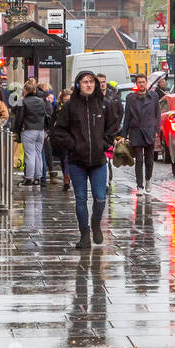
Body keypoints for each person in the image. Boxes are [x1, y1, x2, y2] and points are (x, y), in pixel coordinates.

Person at [51, 70, 120, 250]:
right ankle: (84, 234)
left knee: (100, 199)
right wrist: (72, 144)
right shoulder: (70, 106)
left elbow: (113, 127)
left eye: (91, 82)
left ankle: (95, 224)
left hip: (98, 161)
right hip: (77, 161)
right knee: (80, 199)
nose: (89, 85)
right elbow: (58, 132)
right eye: (85, 82)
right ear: (78, 85)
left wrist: (104, 143)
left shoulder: (104, 105)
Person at [120, 73, 160, 196]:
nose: (141, 84)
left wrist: (157, 131)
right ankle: (139, 185)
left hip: (149, 131)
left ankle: (148, 179)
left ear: (146, 83)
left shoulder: (153, 96)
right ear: (136, 84)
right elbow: (127, 116)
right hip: (136, 131)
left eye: (143, 82)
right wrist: (123, 134)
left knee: (149, 159)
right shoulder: (131, 98)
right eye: (139, 82)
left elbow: (157, 114)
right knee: (139, 159)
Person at [14, 77, 50, 187]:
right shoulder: (41, 101)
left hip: (28, 130)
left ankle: (29, 178)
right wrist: (46, 130)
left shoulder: (23, 102)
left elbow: (19, 118)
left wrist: (17, 130)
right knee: (38, 154)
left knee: (29, 154)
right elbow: (46, 115)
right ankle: (37, 178)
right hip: (40, 131)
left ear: (26, 90)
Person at [56, 87, 74, 192]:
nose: (67, 102)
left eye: (69, 100)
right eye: (65, 100)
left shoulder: (75, 109)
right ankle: (65, 175)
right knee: (63, 159)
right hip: (61, 138)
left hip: (71, 138)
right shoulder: (58, 109)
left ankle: (67, 179)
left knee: (67, 158)